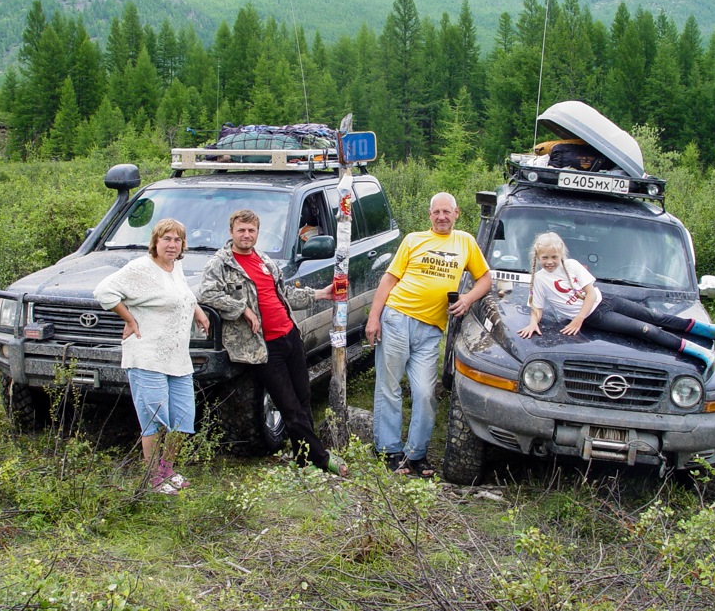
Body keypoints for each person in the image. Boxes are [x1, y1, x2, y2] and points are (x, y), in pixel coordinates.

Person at [197, 209, 347, 477]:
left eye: (251, 230)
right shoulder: (220, 263)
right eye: (241, 230)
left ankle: (303, 459)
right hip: (261, 346)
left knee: (303, 399)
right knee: (288, 405)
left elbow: (284, 293)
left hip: (289, 335)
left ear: (257, 232)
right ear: (231, 232)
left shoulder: (264, 259)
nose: (246, 235)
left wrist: (319, 294)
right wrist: (243, 309)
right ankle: (322, 458)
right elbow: (207, 293)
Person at [366, 192, 492, 477]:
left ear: (457, 213)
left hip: (431, 330)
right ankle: (388, 449)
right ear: (429, 214)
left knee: (424, 393)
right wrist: (374, 317)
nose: (441, 217)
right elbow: (389, 279)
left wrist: (468, 298)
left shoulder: (466, 242)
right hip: (397, 318)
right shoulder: (413, 240)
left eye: (447, 212)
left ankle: (416, 454)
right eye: (436, 212)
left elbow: (485, 278)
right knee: (389, 386)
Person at [93, 218, 210, 495]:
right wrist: (130, 319)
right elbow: (103, 292)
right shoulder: (141, 269)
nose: (172, 245)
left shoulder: (176, 267)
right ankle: (152, 477)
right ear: (155, 242)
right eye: (166, 239)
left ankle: (167, 470)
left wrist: (198, 311)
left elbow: (183, 295)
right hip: (147, 355)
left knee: (182, 419)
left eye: (177, 240)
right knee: (155, 418)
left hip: (177, 357)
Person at [517, 232, 715, 370]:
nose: (550, 262)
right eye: (545, 258)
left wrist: (577, 320)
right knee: (646, 329)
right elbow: (537, 306)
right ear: (537, 257)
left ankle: (708, 330)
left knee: (655, 316)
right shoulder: (540, 279)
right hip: (596, 316)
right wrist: (533, 322)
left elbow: (590, 293)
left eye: (554, 257)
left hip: (605, 300)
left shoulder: (571, 265)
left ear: (561, 255)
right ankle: (701, 353)